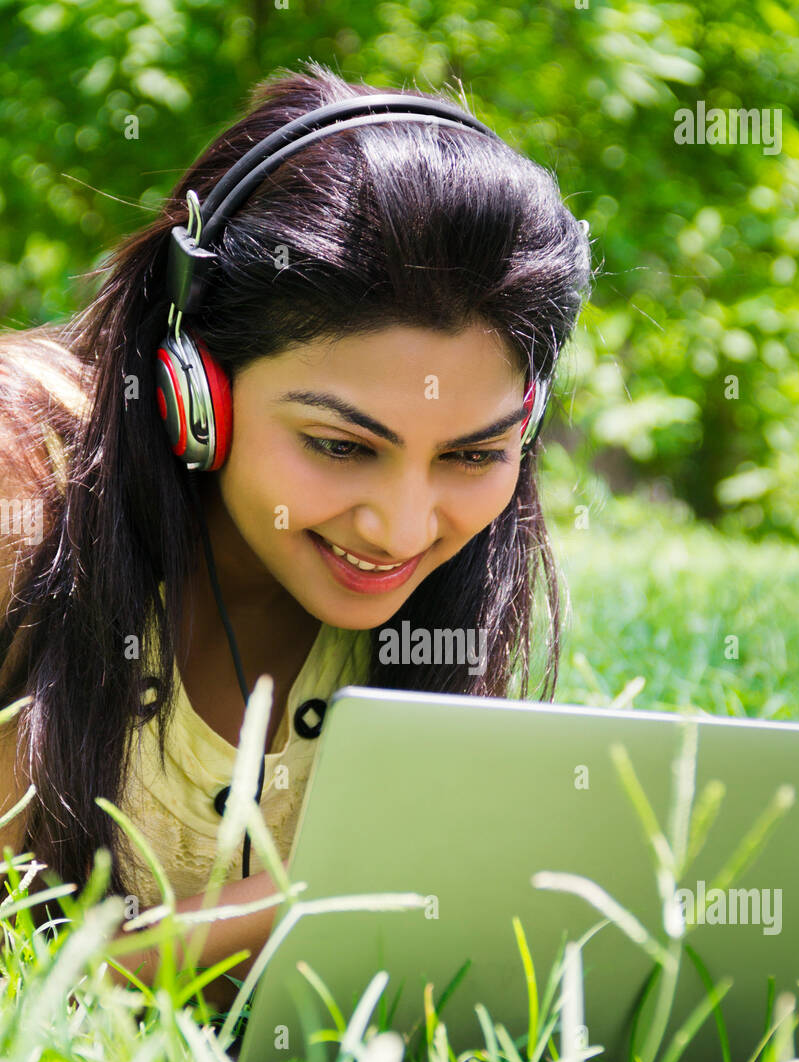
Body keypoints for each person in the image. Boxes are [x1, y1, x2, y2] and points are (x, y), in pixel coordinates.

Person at [0, 62, 593, 1013]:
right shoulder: (19, 479)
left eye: (473, 456)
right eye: (338, 445)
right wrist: (319, 907)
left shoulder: (462, 571)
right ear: (194, 393)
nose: (401, 528)